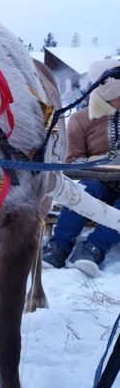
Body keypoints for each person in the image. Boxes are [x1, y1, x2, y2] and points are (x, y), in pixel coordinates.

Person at [42, 59, 120, 276]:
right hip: (97, 180)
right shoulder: (80, 120)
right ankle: (59, 245)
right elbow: (72, 161)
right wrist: (104, 161)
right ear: (105, 95)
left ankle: (93, 249)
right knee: (85, 191)